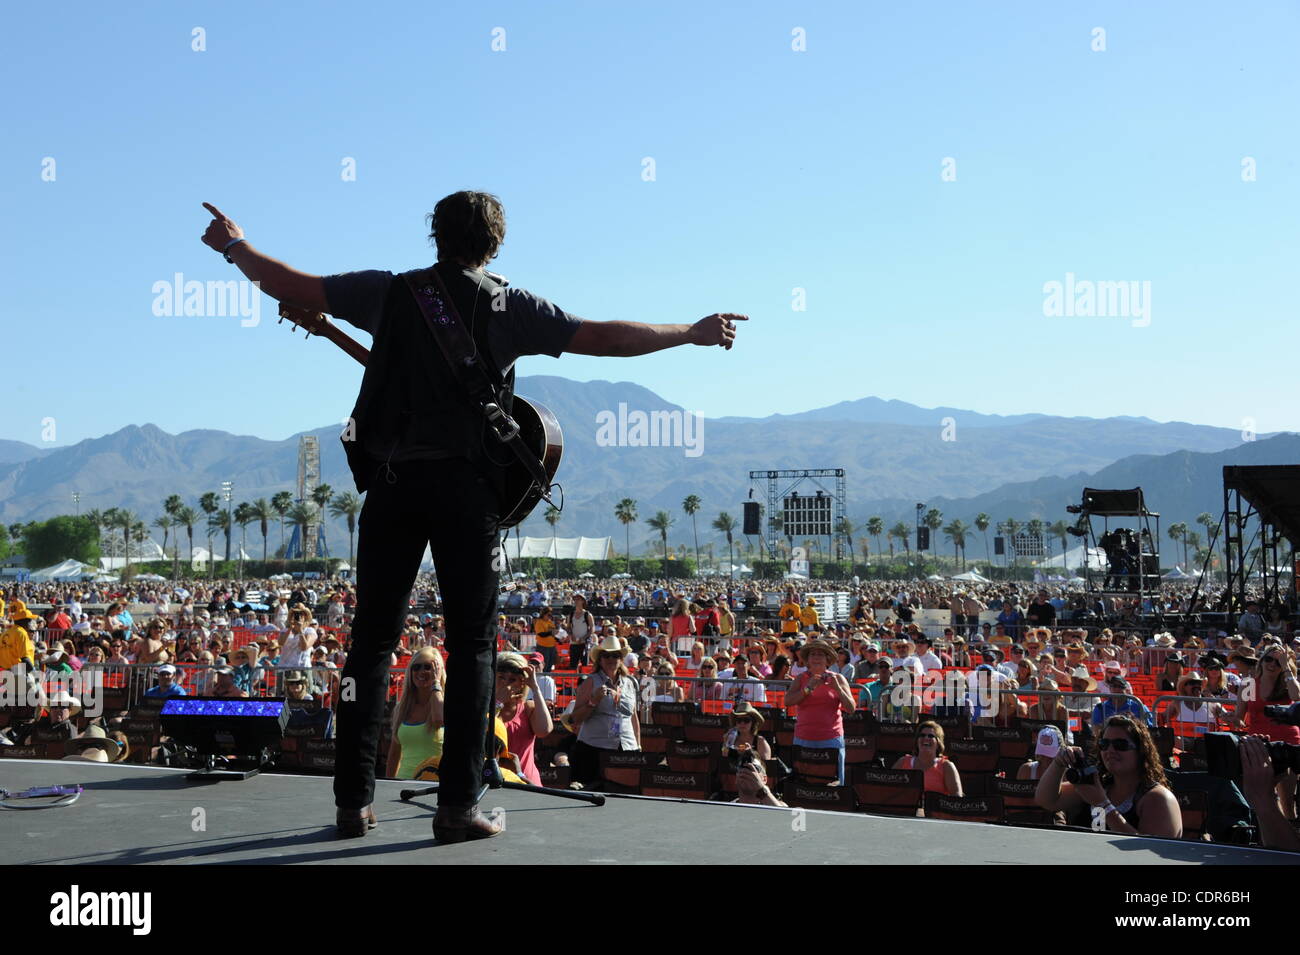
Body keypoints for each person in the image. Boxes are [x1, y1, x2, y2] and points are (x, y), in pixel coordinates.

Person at [204, 192, 743, 841]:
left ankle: (352, 804)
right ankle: (456, 806)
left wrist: (234, 243)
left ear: (434, 236)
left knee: (371, 643)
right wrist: (690, 331)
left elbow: (285, 281)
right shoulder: (511, 306)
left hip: (395, 484)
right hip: (465, 491)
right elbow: (606, 337)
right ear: (495, 244)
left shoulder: (391, 293)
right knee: (474, 645)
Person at [1034, 715, 1183, 838]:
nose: (1110, 750)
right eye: (1104, 744)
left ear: (1141, 752)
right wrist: (1059, 763)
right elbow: (1047, 800)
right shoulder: (1100, 785)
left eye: (1120, 745)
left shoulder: (1158, 798)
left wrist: (1103, 805)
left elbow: (1150, 852)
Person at [1229, 646, 1300, 818]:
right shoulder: (1249, 684)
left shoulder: (1287, 682)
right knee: (1263, 798)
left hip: (1287, 743)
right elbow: (1239, 718)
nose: (1272, 664)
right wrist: (1228, 717)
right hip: (1259, 743)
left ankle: (1289, 841)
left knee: (1288, 803)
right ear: (1262, 661)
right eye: (1269, 659)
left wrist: (1286, 668)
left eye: (1278, 661)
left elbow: (1297, 696)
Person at [782, 640, 856, 784]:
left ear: (827, 660)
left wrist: (838, 689)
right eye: (813, 654)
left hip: (831, 739)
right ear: (807, 660)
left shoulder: (838, 678)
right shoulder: (801, 678)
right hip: (804, 738)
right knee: (803, 782)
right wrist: (807, 689)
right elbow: (788, 701)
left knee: (833, 783)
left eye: (820, 655)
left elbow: (851, 708)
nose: (816, 657)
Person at [570, 635, 641, 785]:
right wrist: (592, 702)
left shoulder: (630, 683)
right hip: (594, 749)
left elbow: (633, 717)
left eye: (615, 655)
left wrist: (638, 745)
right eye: (606, 655)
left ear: (621, 659)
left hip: (627, 748)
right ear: (600, 659)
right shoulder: (590, 682)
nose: (611, 659)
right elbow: (574, 719)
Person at [384, 648, 446, 788]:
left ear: (439, 670)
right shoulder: (402, 708)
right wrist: (387, 785)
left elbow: (438, 719)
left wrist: (436, 684)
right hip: (403, 785)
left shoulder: (444, 705)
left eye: (428, 667)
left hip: (434, 786)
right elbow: (394, 754)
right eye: (416, 667)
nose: (421, 672)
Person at [495, 652, 553, 785]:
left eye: (512, 679)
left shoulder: (528, 708)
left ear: (521, 683)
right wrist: (498, 703)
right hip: (494, 780)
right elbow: (480, 732)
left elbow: (544, 730)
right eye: (501, 677)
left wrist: (535, 687)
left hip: (525, 781)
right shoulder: (485, 708)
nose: (505, 684)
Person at [892, 720, 962, 795]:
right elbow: (889, 789)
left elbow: (957, 797)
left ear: (938, 743)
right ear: (917, 741)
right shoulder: (902, 762)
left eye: (931, 736)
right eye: (922, 735)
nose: (926, 738)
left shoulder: (946, 766)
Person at [566, 595, 594, 668]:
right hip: (573, 644)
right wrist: (571, 635)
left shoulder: (587, 614)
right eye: (575, 599)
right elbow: (568, 628)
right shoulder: (571, 615)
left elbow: (592, 629)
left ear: (583, 601)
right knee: (572, 666)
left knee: (585, 666)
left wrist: (584, 638)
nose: (576, 601)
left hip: (584, 644)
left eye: (578, 599)